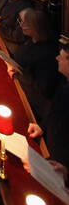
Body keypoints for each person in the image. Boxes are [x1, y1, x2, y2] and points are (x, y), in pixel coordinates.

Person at [9, 9, 60, 117]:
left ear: (36, 27)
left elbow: (43, 87)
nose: (21, 25)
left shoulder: (47, 54)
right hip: (19, 82)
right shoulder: (30, 40)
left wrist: (19, 73)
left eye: (25, 24)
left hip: (31, 101)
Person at [27, 43, 69, 172]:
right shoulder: (64, 84)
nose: (57, 58)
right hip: (51, 153)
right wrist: (42, 126)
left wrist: (66, 168)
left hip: (59, 164)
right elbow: (55, 113)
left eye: (62, 56)